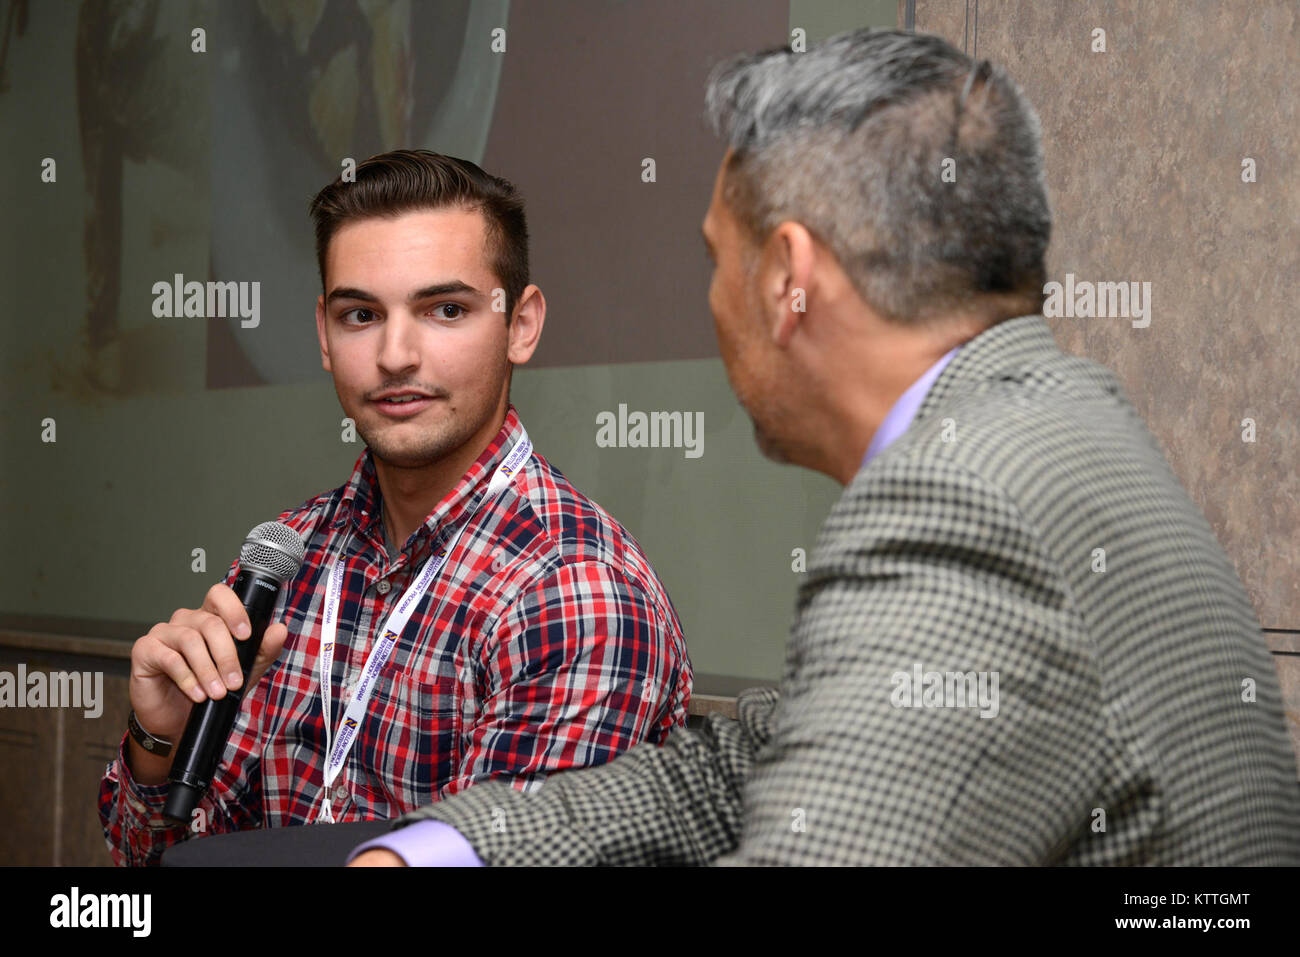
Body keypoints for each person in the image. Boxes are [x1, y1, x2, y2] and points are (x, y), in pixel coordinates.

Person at [351, 28, 1300, 866]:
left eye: (716, 260)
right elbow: (743, 771)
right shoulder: (1049, 425)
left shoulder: (962, 503)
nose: (712, 299)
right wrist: (448, 846)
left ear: (790, 279)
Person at [98, 150, 693, 867]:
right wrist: (160, 743)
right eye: (360, 314)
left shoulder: (575, 591)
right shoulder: (293, 552)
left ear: (522, 325)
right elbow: (150, 860)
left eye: (446, 309)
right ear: (324, 335)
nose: (395, 354)